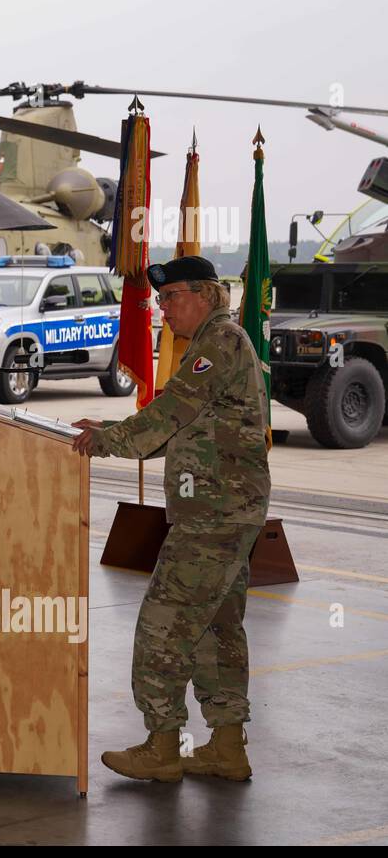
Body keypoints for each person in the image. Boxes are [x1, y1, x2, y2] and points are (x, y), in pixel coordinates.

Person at [72, 254, 271, 783]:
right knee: (216, 629)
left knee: (162, 627)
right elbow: (183, 429)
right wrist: (113, 428)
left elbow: (166, 416)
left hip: (213, 517)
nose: (164, 309)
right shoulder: (218, 342)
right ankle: (227, 747)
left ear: (206, 294)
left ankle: (162, 747)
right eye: (160, 300)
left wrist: (106, 439)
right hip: (228, 512)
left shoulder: (218, 343)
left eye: (174, 297)